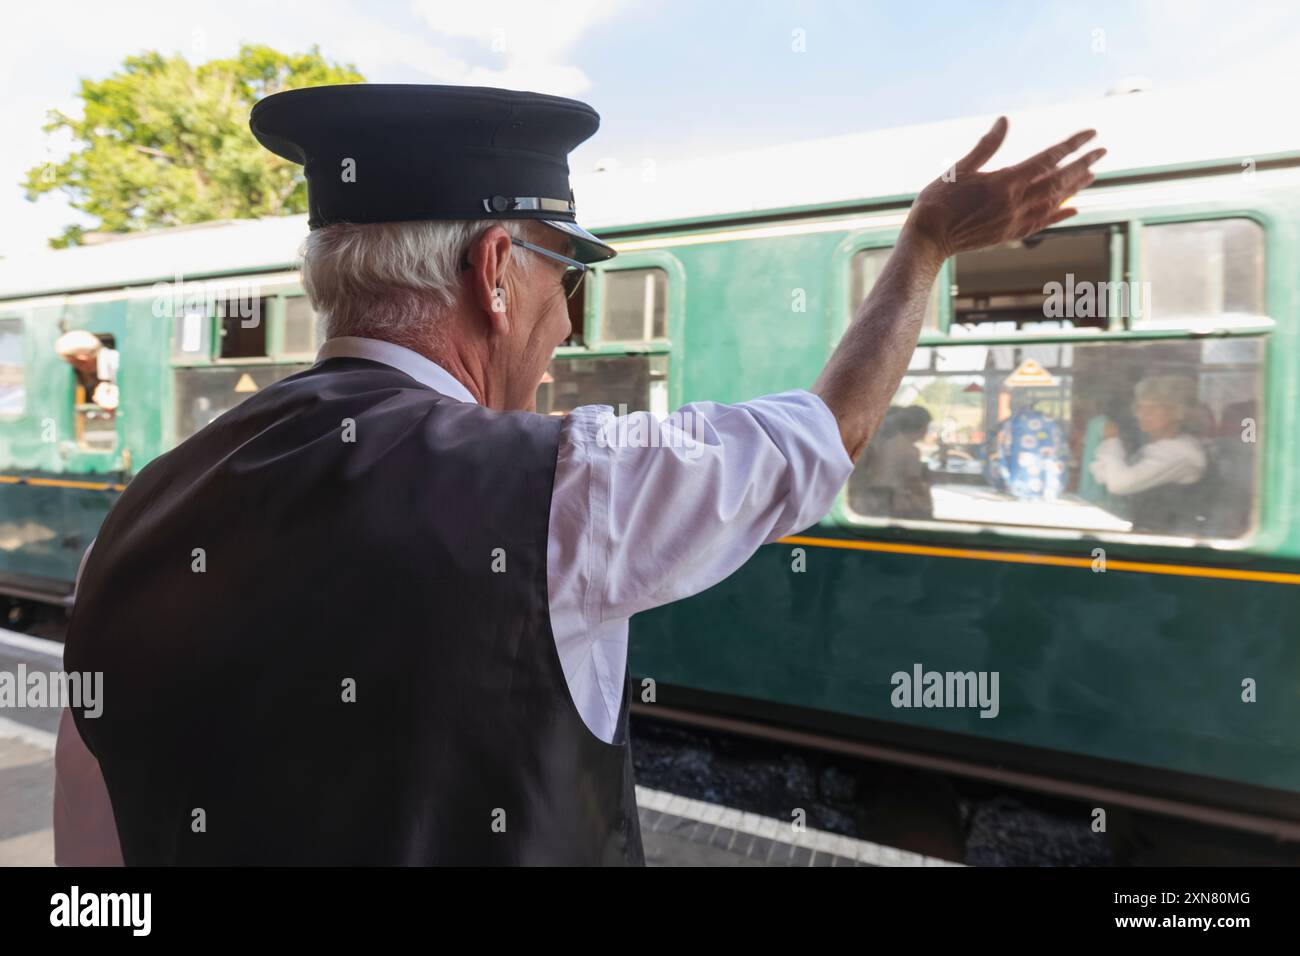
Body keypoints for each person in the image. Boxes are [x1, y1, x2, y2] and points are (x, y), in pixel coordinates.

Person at [54, 83, 1103, 866]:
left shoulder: (142, 512)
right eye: (568, 282)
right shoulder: (565, 487)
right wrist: (922, 248)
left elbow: (91, 843)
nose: (563, 327)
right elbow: (830, 434)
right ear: (496, 271)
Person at [1088, 374, 1210, 533]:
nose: (1142, 415)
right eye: (1140, 408)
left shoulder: (1181, 452)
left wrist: (1112, 440)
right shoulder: (1157, 447)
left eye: (1153, 408)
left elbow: (1119, 483)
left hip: (1168, 542)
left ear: (1178, 412)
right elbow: (1103, 475)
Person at [853, 404, 934, 518]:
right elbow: (913, 481)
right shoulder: (911, 451)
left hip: (872, 495)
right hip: (889, 498)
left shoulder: (887, 443)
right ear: (922, 427)